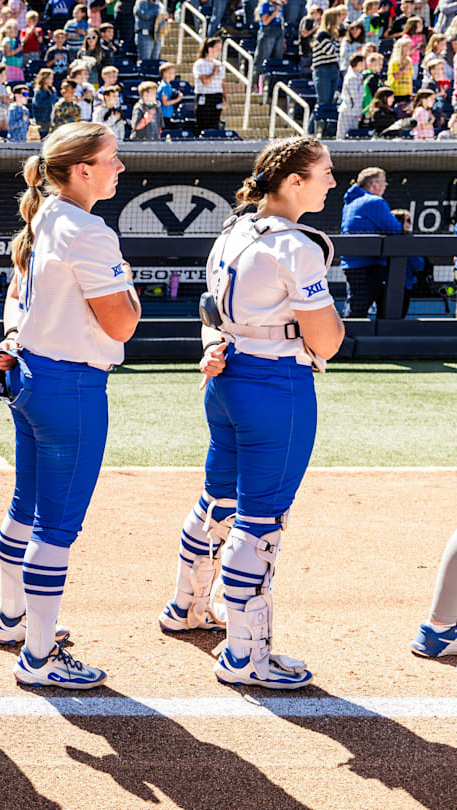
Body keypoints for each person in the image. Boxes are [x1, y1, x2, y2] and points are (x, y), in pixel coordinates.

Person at [164, 135, 342, 690]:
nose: (332, 182)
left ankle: (186, 606)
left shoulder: (233, 228)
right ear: (294, 181)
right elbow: (328, 340)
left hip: (228, 377)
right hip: (275, 385)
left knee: (219, 495)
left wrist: (215, 345)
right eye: (324, 173)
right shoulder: (296, 244)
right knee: (261, 520)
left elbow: (207, 309)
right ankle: (246, 655)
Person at [0, 121, 140, 690]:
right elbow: (122, 321)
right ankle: (39, 655)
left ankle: (12, 619)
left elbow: (14, 293)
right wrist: (131, 296)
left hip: (31, 374)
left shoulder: (45, 213)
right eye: (111, 159)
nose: (120, 167)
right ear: (82, 170)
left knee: (28, 505)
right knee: (56, 526)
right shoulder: (86, 228)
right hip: (70, 384)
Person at [339, 167, 403, 319]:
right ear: (374, 185)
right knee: (358, 310)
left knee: (355, 305)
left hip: (352, 263)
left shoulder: (351, 202)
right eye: (383, 181)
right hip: (368, 265)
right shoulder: (375, 202)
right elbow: (394, 228)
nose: (386, 185)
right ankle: (347, 341)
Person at [194, 37, 225, 133]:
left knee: (215, 125)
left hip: (217, 97)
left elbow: (222, 83)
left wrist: (225, 99)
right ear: (210, 48)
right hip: (205, 97)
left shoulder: (219, 64)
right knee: (203, 125)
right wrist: (214, 71)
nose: (220, 51)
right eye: (217, 48)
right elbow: (205, 81)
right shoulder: (200, 64)